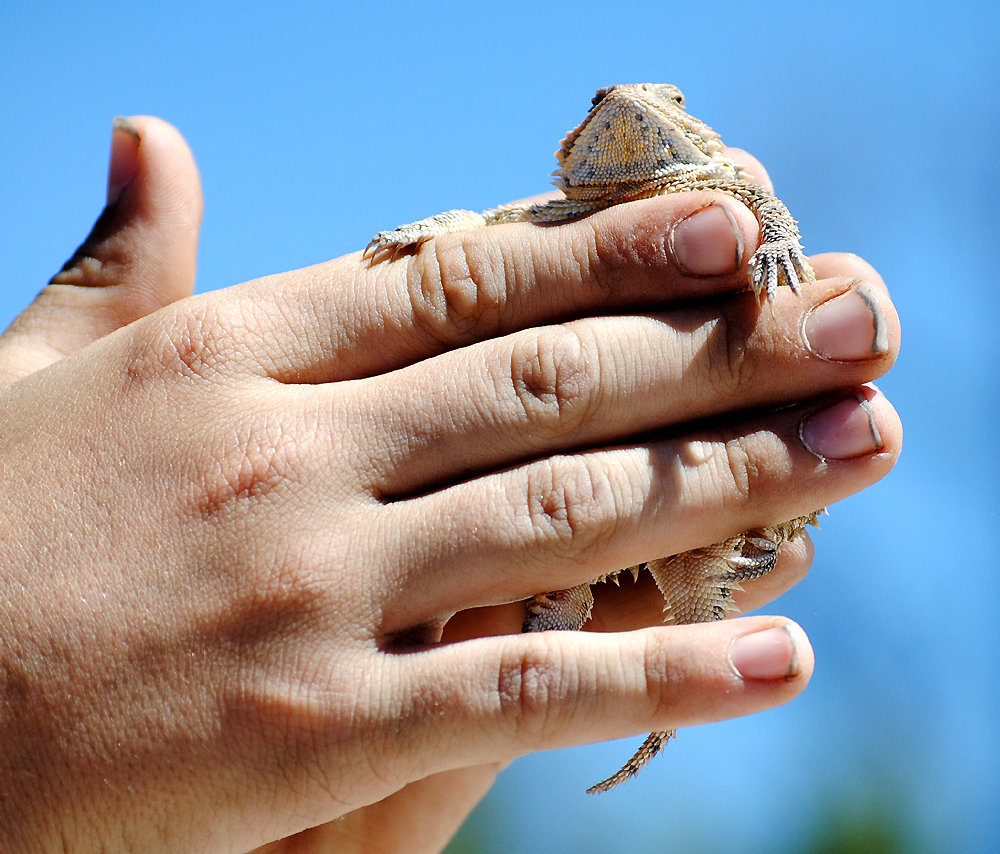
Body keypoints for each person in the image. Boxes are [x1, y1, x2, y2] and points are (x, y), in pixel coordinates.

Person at [0, 116, 901, 853]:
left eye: (657, 100)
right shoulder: (557, 216)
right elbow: (486, 230)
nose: (634, 107)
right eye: (607, 104)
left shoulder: (720, 190)